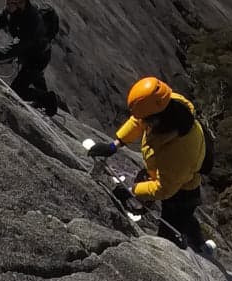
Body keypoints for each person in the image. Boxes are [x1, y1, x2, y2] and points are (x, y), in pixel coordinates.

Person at [89, 76, 209, 249]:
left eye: (147, 120)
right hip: (169, 176)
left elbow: (164, 188)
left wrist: (132, 191)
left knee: (170, 233)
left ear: (156, 119)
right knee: (185, 217)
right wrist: (115, 144)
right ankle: (195, 238)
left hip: (181, 191)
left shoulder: (180, 150)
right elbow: (139, 119)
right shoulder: (167, 104)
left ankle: (197, 247)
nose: (143, 122)